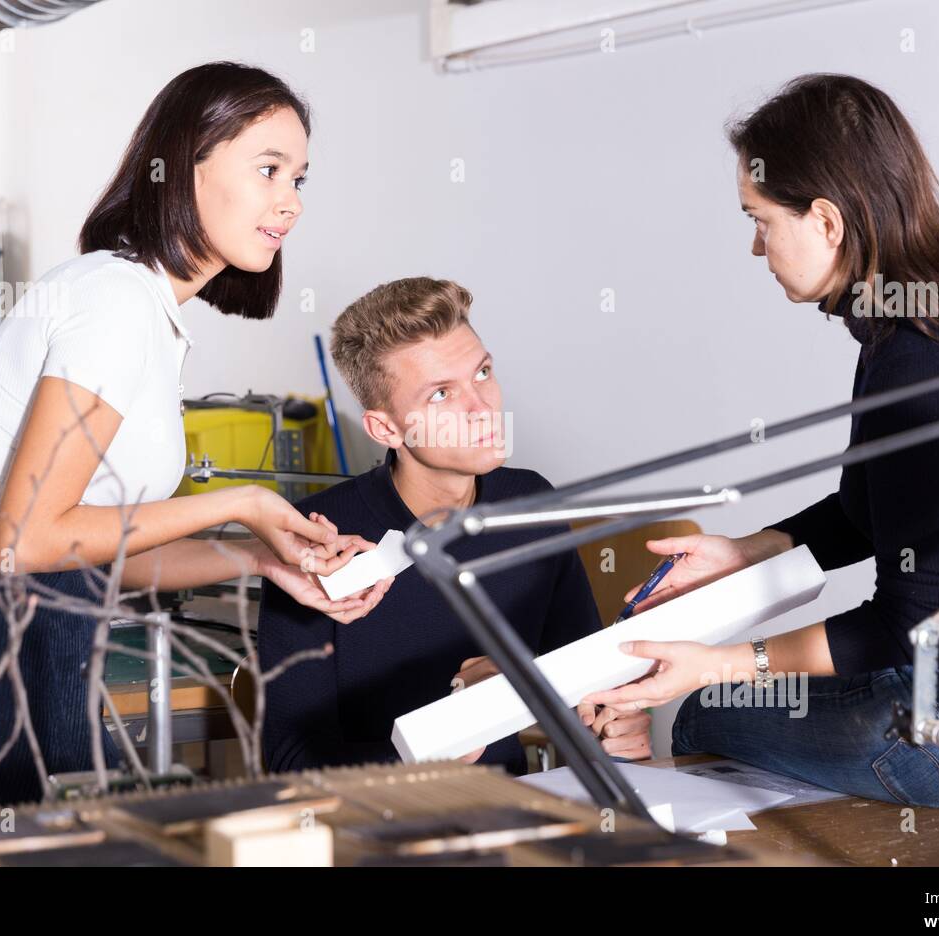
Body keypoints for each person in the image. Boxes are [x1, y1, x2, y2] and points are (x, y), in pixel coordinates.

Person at [0, 62, 388, 825]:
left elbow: (92, 549)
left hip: (29, 639)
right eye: (269, 169)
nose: (290, 202)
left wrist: (259, 560)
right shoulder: (113, 302)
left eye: (300, 179)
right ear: (185, 166)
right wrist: (245, 501)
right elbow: (27, 543)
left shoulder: (146, 312)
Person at [584, 74, 939, 829]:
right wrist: (749, 551)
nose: (755, 245)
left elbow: (900, 633)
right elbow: (880, 510)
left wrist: (723, 666)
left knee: (705, 713)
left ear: (826, 220)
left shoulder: (912, 361)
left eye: (761, 219)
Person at [259, 277, 652, 774]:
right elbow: (291, 762)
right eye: (442, 394)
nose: (482, 406)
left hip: (513, 812)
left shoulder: (529, 501)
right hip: (371, 826)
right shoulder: (315, 536)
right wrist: (424, 754)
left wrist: (613, 728)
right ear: (386, 429)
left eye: (482, 372)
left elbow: (582, 684)